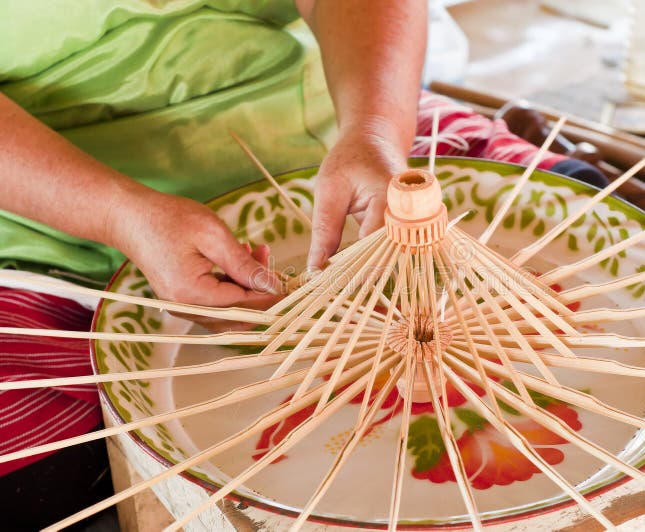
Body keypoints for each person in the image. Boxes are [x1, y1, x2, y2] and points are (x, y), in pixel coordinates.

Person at [0, 1, 425, 528]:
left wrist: (377, 127)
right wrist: (118, 215)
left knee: (554, 209)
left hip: (338, 132)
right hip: (43, 212)